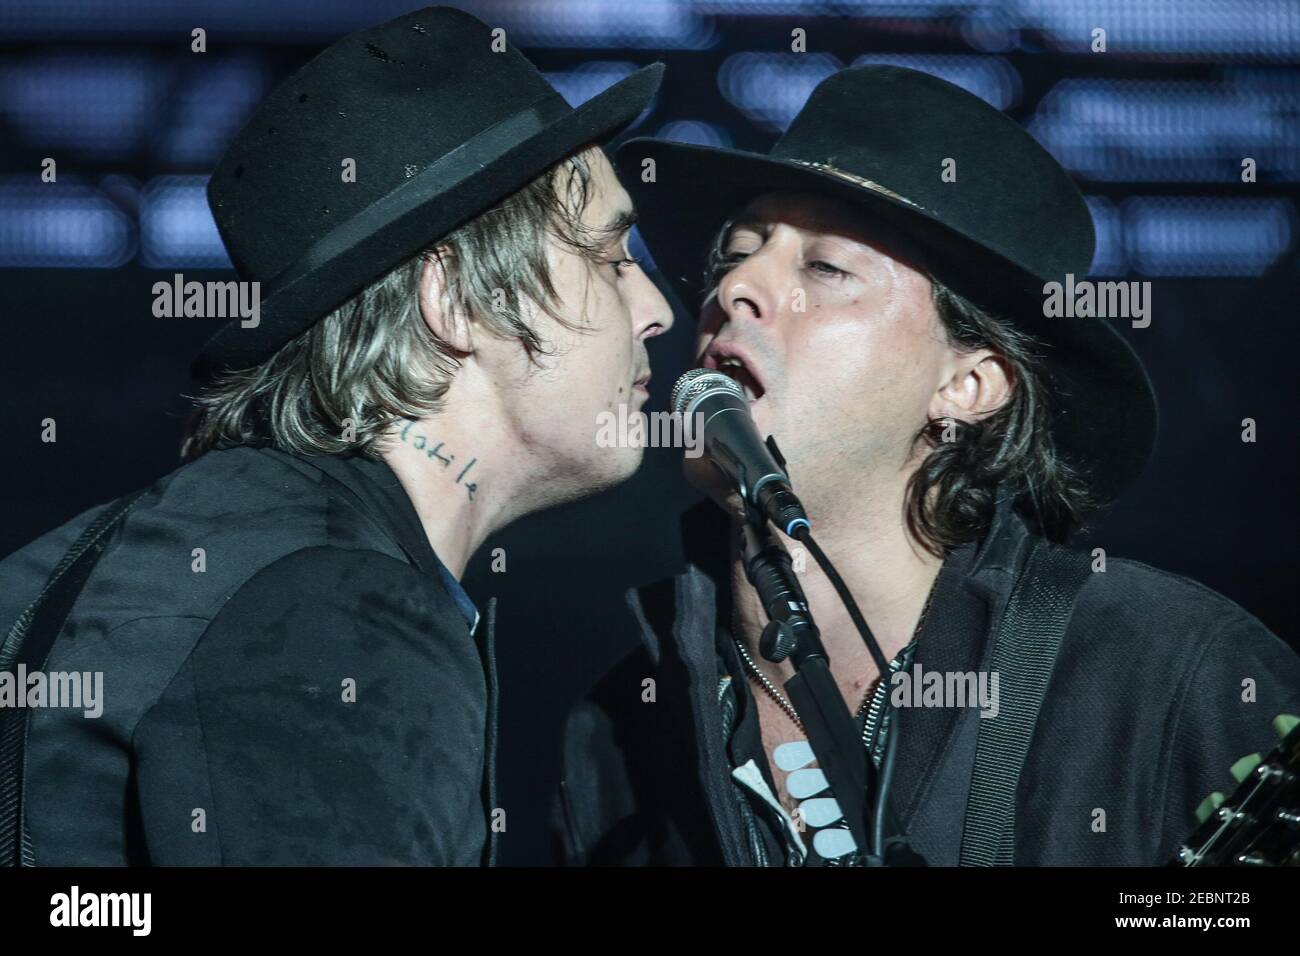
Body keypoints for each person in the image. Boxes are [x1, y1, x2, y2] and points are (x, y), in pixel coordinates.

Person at [553, 66, 1300, 866]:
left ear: (968, 385)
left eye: (825, 269)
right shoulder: (618, 727)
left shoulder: (1171, 670)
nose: (735, 286)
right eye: (733, 254)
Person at [0, 7, 670, 866]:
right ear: (458, 301)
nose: (652, 308)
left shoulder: (228, 547)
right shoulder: (332, 608)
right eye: (612, 258)